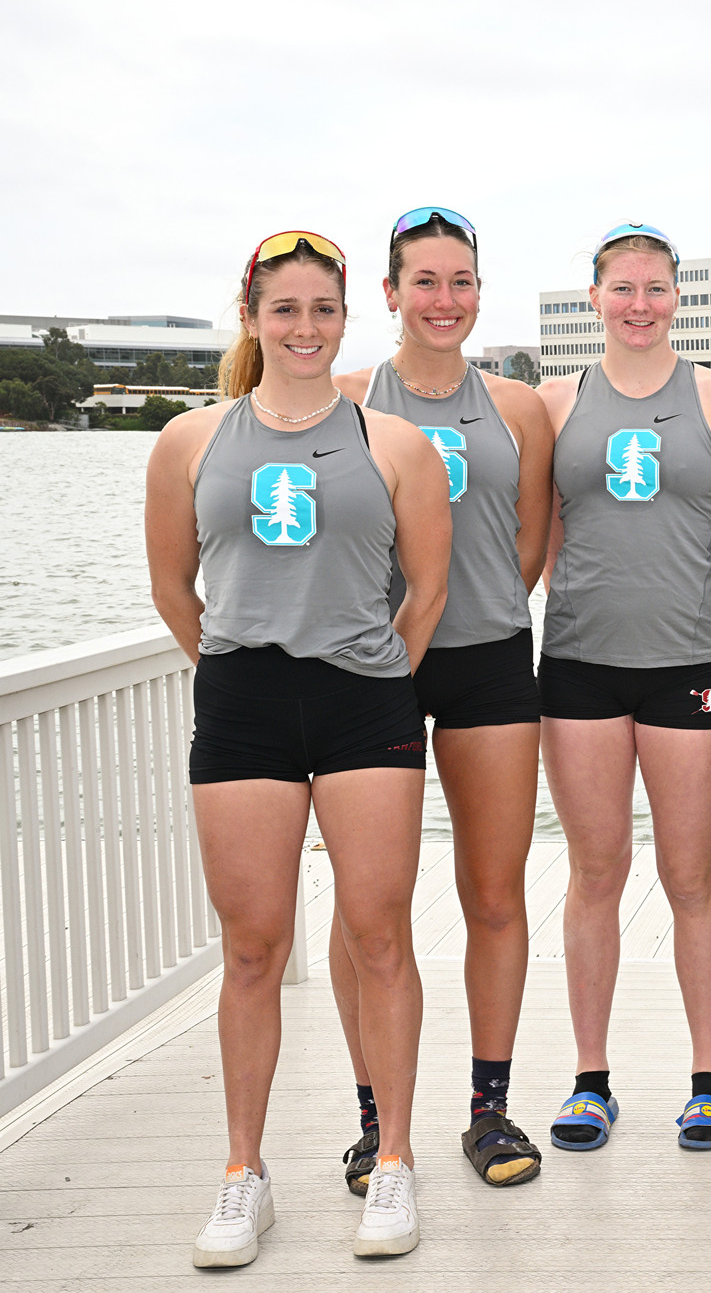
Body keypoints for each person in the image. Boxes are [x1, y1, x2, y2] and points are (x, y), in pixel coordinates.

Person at [146, 231, 451, 1263]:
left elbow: (429, 593)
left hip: (366, 703)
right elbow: (175, 592)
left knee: (378, 937)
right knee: (252, 948)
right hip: (243, 704)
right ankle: (244, 1174)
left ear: (344, 317)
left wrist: (365, 673)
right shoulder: (191, 440)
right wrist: (244, 670)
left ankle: (395, 1161)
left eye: (323, 309)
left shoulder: (395, 444)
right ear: (252, 316)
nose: (306, 328)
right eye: (286, 309)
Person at [329, 207, 553, 1190]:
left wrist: (486, 608)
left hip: (488, 662)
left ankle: (490, 1111)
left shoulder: (519, 409)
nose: (444, 299)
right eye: (425, 281)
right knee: (367, 906)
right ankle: (375, 1116)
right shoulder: (342, 400)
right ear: (389, 295)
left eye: (461, 281)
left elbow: (530, 538)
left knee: (495, 897)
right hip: (369, 667)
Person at [536, 223, 711, 1153]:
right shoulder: (553, 404)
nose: (640, 305)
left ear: (679, 297)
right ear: (595, 297)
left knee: (689, 872)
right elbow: (543, 538)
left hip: (689, 670)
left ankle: (706, 1078)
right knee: (595, 872)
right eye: (623, 289)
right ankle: (591, 1078)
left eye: (656, 289)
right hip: (582, 666)